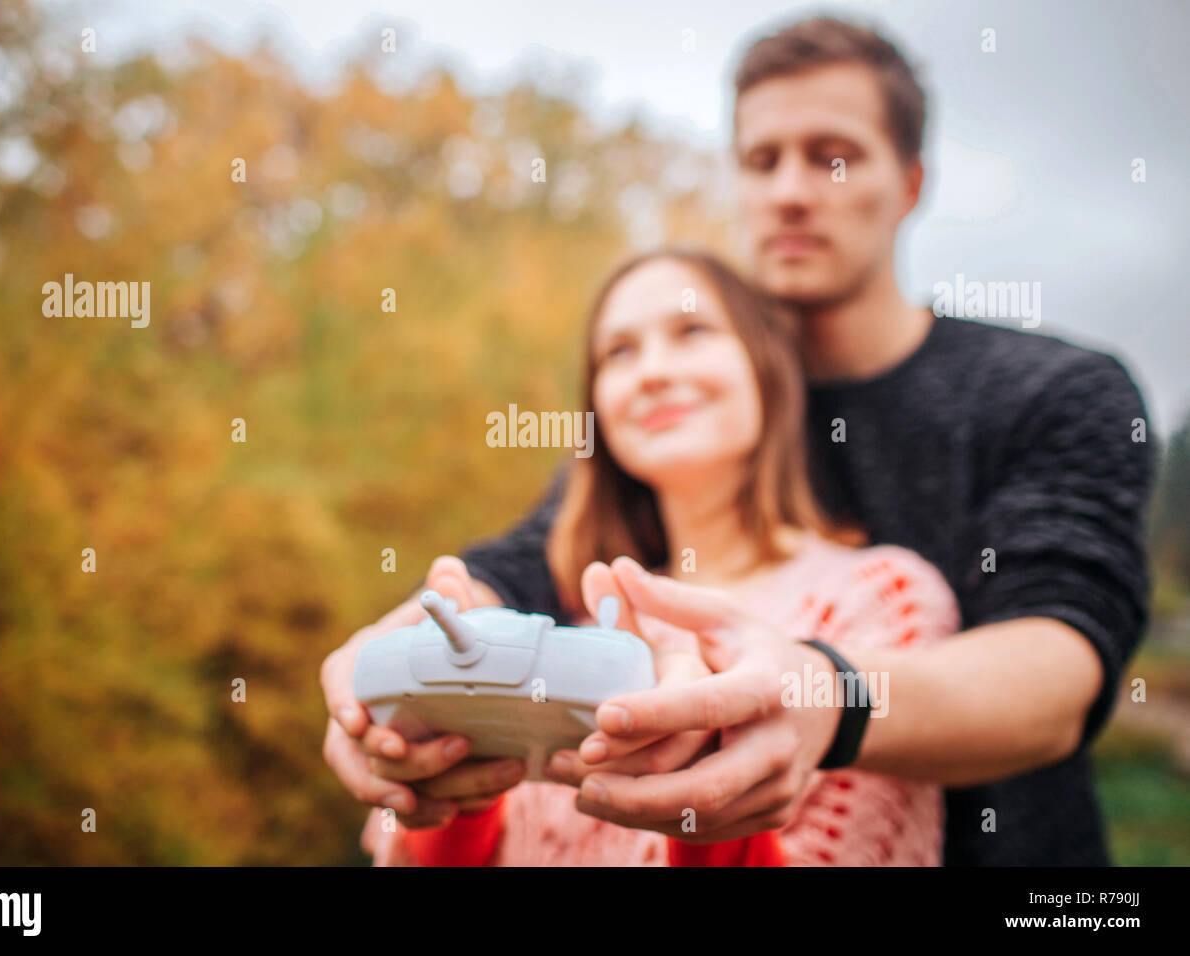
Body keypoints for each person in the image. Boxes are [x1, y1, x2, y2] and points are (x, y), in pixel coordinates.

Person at [322, 16, 1153, 866]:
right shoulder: (689, 411)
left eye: (832, 156)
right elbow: (524, 566)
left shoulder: (1052, 392)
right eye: (762, 161)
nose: (791, 191)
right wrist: (373, 687)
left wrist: (823, 698)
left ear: (908, 184)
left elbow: (1057, 668)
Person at [359, 248, 958, 865]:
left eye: (692, 331)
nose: (651, 372)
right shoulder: (563, 625)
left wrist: (711, 806)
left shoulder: (883, 601)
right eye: (618, 352)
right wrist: (454, 776)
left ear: (766, 366)